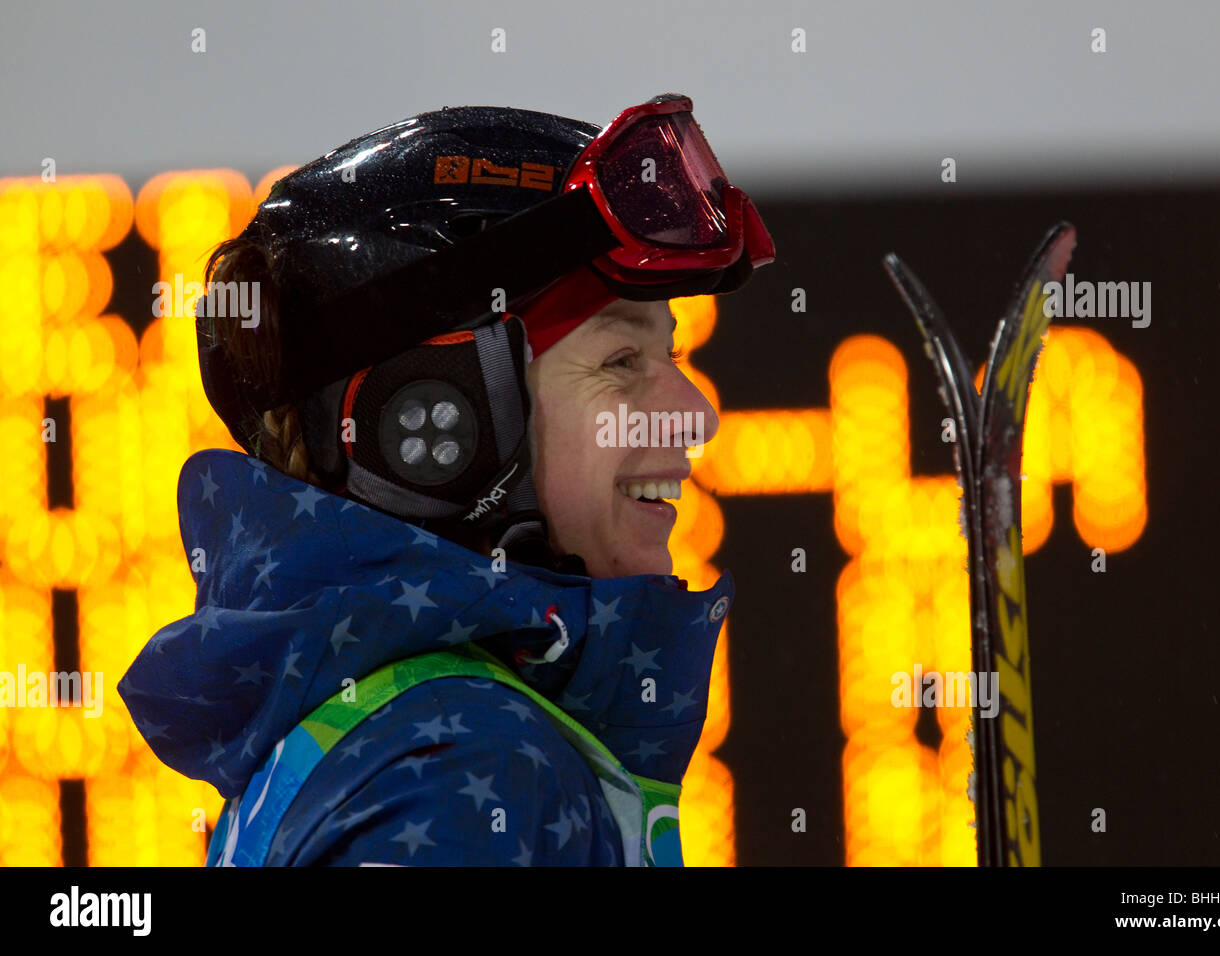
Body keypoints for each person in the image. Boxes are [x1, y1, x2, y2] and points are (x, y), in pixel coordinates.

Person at [119, 94, 775, 866]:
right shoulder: (469, 770)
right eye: (621, 363)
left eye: (673, 357)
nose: (695, 415)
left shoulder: (388, 733)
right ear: (436, 416)